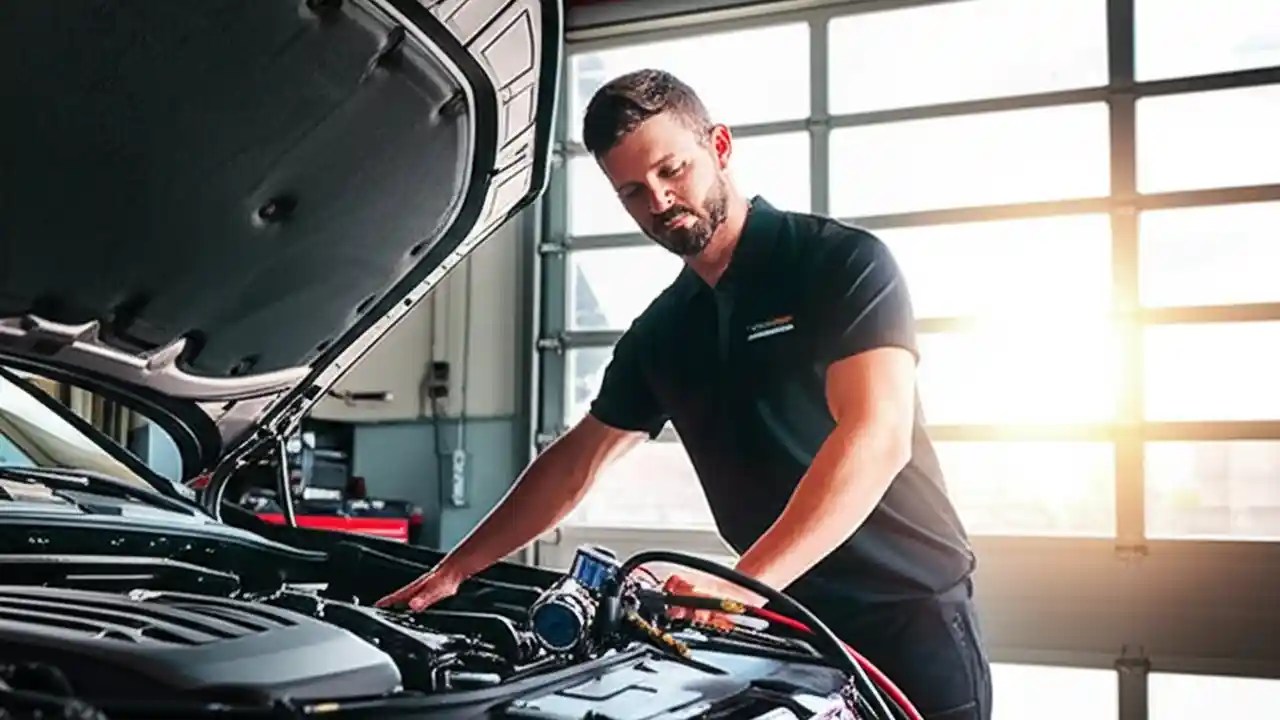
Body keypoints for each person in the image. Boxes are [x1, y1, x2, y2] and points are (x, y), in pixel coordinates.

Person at [378, 69, 991, 719]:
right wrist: (458, 568)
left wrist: (742, 587)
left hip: (908, 620)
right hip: (790, 625)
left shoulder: (841, 264)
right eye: (633, 192)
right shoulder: (665, 331)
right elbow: (577, 461)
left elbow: (876, 437)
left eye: (673, 170)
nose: (661, 201)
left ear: (720, 146)